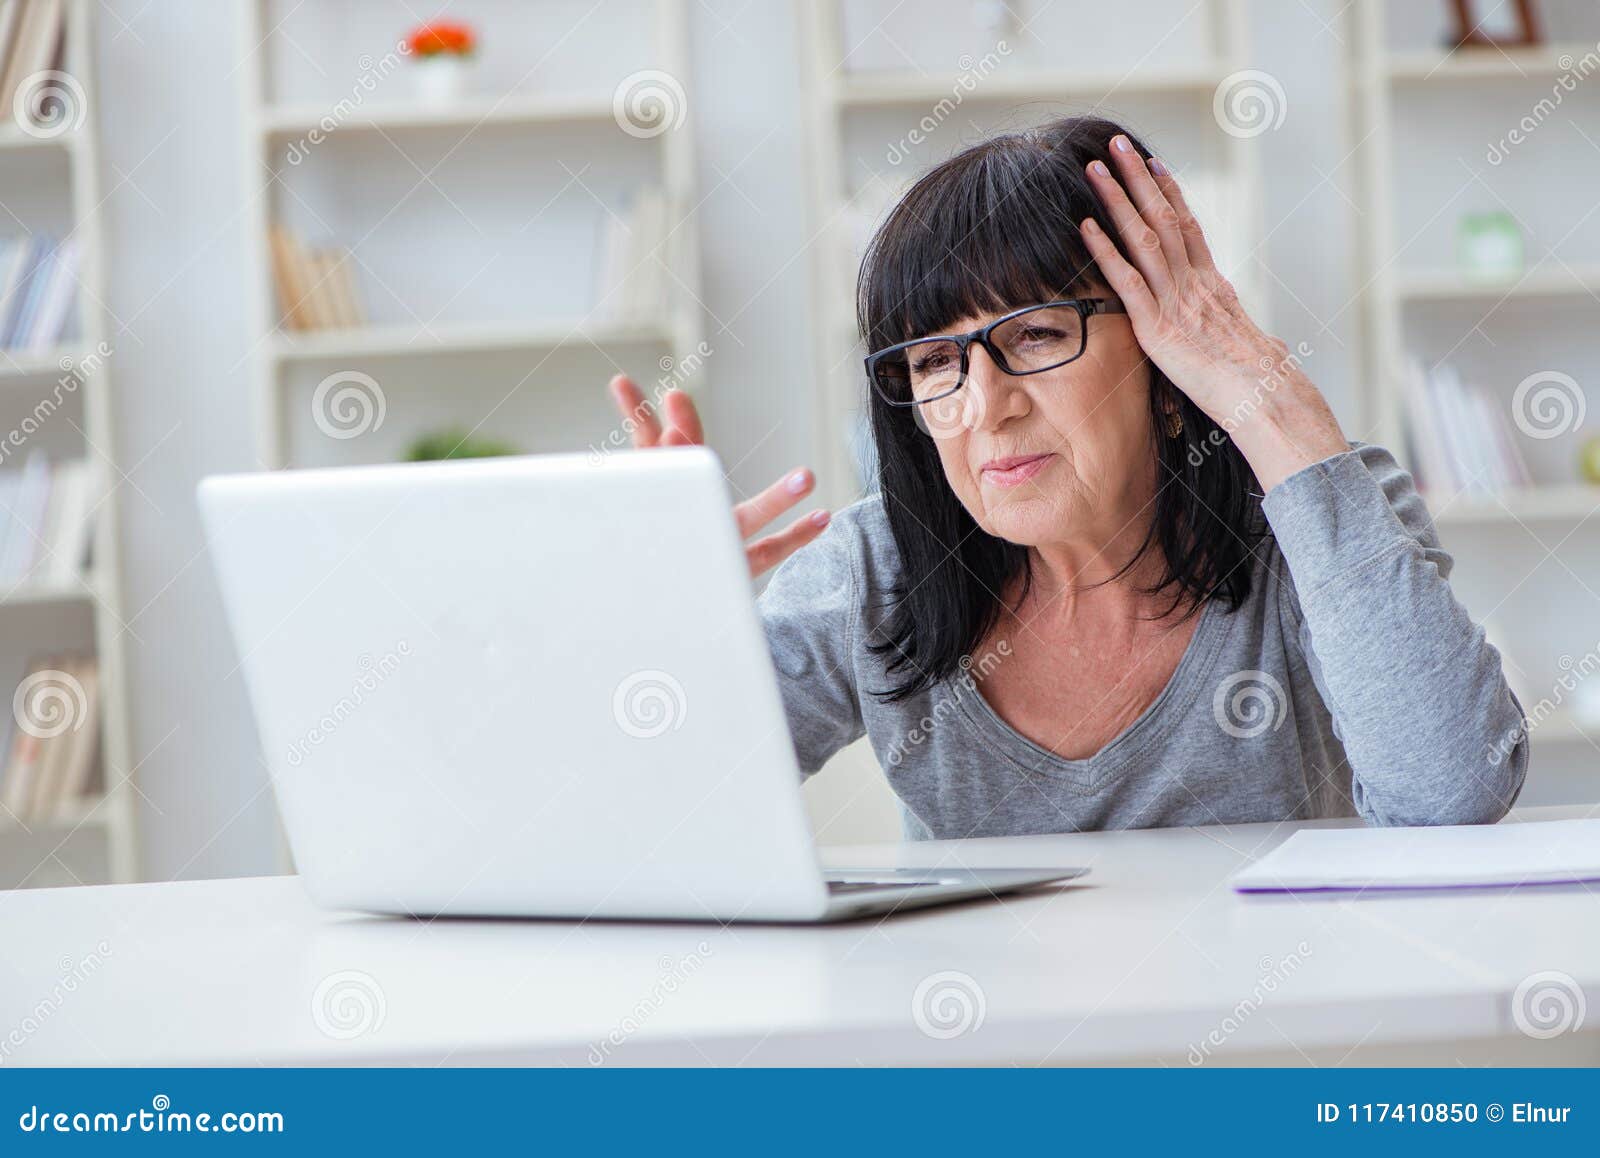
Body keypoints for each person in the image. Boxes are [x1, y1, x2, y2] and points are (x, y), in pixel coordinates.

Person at [605, 115, 1527, 838]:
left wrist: (1269, 402)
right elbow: (650, 813)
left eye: (1038, 334)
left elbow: (1451, 793)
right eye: (935, 361)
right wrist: (665, 625)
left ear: (1170, 366)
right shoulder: (873, 571)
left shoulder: (1318, 507)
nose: (985, 404)